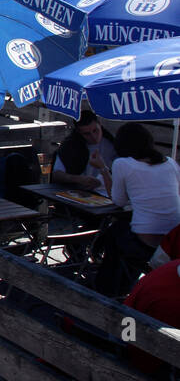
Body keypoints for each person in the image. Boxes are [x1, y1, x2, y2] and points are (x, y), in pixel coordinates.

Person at [99, 122, 180, 297]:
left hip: (146, 243)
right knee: (119, 232)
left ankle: (108, 292)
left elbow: (118, 201)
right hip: (172, 245)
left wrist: (104, 170)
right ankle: (122, 286)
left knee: (114, 233)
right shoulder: (171, 163)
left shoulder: (123, 164)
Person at [51, 110, 117, 195]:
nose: (93, 137)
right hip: (80, 194)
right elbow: (57, 174)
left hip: (108, 193)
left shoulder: (112, 143)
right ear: (79, 133)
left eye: (95, 130)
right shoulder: (70, 146)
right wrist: (78, 179)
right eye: (87, 134)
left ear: (100, 124)